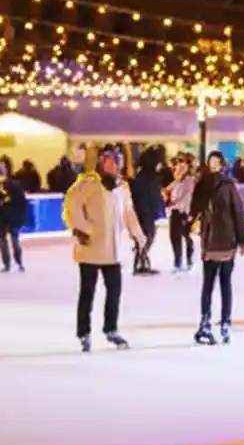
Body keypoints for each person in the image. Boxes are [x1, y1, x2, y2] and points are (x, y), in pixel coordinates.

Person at [64, 146, 146, 352]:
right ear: (101, 162)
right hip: (91, 248)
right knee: (87, 292)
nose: (113, 164)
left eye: (116, 160)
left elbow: (129, 213)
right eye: (109, 160)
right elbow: (71, 205)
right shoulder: (87, 183)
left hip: (113, 251)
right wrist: (80, 228)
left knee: (114, 291)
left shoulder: (122, 188)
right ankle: (84, 331)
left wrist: (139, 236)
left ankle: (111, 328)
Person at [194, 151, 244, 346]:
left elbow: (238, 213)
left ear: (221, 165)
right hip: (209, 242)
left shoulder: (228, 187)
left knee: (225, 283)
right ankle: (205, 320)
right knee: (208, 284)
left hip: (226, 241)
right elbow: (195, 209)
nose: (212, 165)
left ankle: (225, 321)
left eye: (216, 162)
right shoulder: (202, 185)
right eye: (210, 161)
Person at [0, 160, 28, 273]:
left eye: (2, 168)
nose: (0, 171)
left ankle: (19, 262)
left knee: (14, 240)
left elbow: (21, 201)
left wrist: (19, 215)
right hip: (0, 217)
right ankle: (7, 264)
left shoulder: (14, 185)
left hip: (12, 217)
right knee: (2, 241)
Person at [130, 147, 165, 275]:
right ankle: (140, 262)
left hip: (144, 211)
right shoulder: (149, 178)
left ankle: (141, 261)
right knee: (146, 237)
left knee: (146, 237)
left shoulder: (144, 176)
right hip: (145, 212)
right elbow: (149, 196)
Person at [164, 153, 196, 274]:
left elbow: (179, 197)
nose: (178, 167)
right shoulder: (177, 181)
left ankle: (189, 261)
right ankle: (177, 262)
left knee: (186, 237)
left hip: (184, 212)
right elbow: (168, 190)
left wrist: (170, 200)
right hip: (175, 212)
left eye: (182, 164)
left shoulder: (189, 181)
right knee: (174, 237)